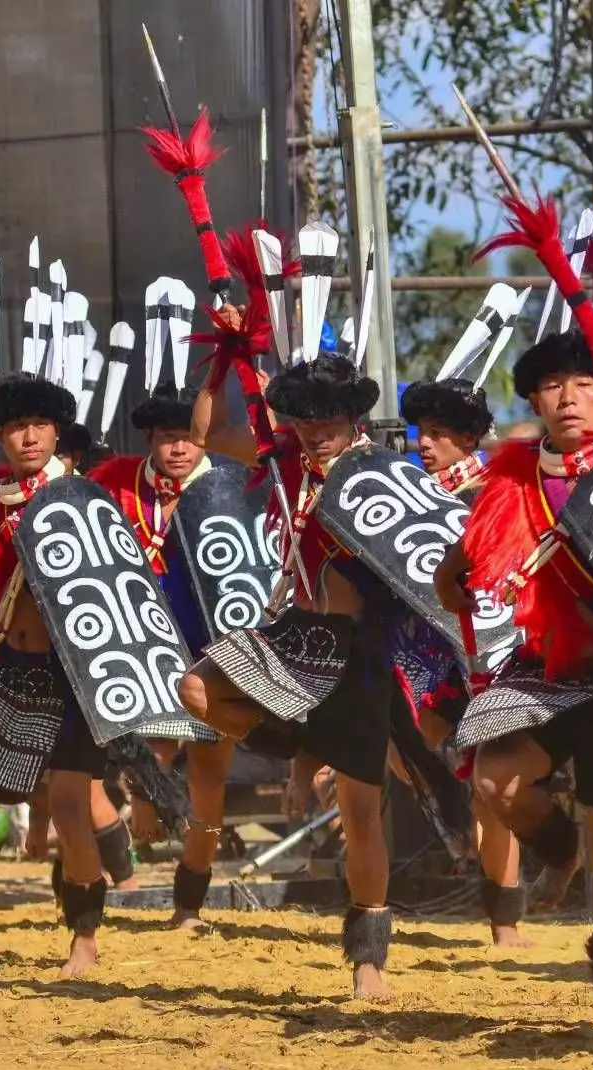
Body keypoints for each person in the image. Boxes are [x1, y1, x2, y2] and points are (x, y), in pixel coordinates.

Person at [433, 334, 593, 1025]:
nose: (567, 398)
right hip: (544, 667)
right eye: (551, 386)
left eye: (582, 384)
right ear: (535, 401)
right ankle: (556, 845)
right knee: (494, 781)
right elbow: (454, 567)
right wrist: (450, 584)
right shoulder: (513, 476)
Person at [180, 348, 412, 1001]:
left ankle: (369, 961)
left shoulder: (385, 473)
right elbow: (205, 436)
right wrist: (225, 358)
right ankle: (293, 743)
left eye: (328, 417)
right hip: (293, 633)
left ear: (352, 417)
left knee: (360, 813)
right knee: (196, 687)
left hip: (361, 649)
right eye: (304, 417)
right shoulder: (283, 465)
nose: (315, 428)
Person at [0, 369, 109, 978]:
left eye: (37, 425)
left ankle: (84, 934)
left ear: (56, 431)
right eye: (14, 428)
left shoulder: (87, 494)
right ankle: (29, 784)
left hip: (74, 667)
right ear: (1, 438)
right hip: (11, 657)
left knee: (70, 804)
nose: (27, 437)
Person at [88, 384, 229, 925]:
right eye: (168, 439)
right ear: (150, 439)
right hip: (141, 645)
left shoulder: (228, 488)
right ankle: (140, 820)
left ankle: (189, 901)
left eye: (188, 439)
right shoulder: (113, 484)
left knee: (211, 774)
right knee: (154, 751)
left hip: (214, 647)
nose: (178, 450)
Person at [399, 377, 529, 947]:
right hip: (424, 651)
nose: (424, 444)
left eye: (437, 434)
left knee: (491, 782)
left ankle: (505, 921)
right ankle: (445, 809)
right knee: (403, 739)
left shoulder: (498, 488)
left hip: (491, 650)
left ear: (468, 438)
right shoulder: (403, 497)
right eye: (420, 433)